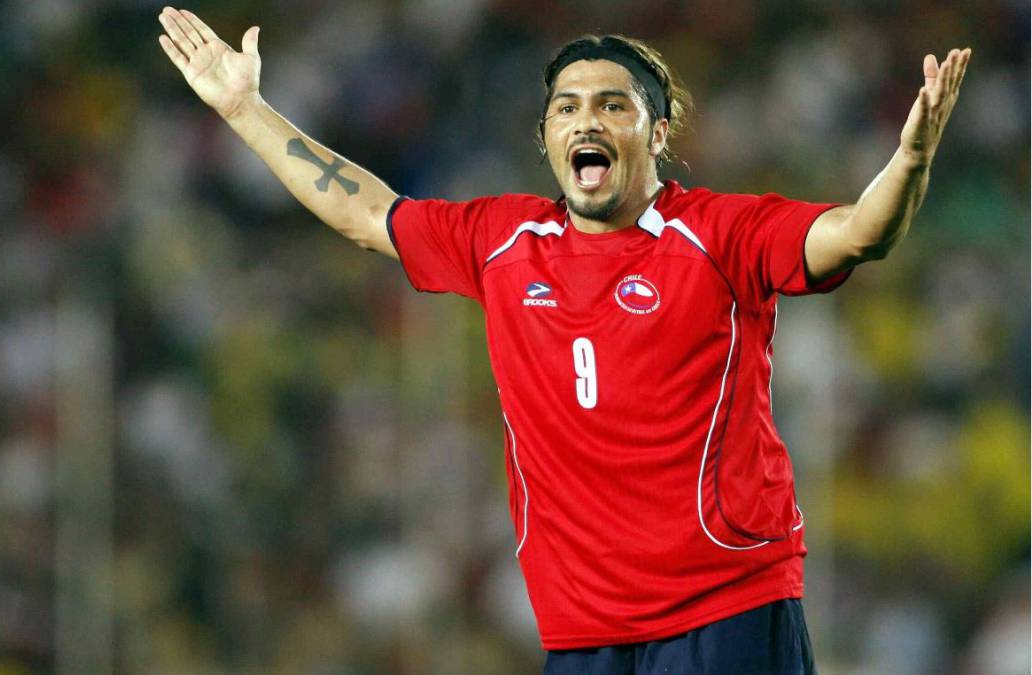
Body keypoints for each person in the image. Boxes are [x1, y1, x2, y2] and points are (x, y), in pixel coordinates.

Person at [156, 7, 970, 673]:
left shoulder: (717, 233)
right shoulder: (505, 240)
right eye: (568, 106)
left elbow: (859, 234)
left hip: (725, 604)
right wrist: (243, 111)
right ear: (546, 136)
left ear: (656, 134)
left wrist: (910, 160)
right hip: (581, 633)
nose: (589, 119)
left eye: (615, 104)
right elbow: (365, 212)